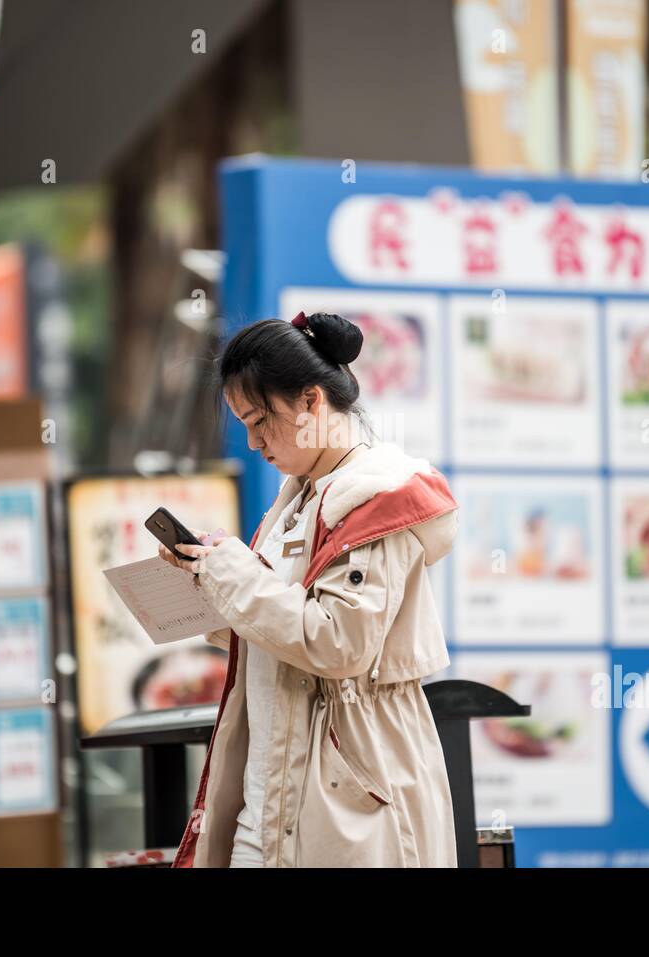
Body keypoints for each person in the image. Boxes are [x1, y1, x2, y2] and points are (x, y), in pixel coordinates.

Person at [158, 311, 459, 868]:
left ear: (312, 402)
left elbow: (338, 643)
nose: (252, 443)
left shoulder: (377, 496)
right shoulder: (296, 500)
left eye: (259, 421)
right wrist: (206, 580)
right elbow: (282, 633)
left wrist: (232, 575)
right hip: (267, 797)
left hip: (349, 797)